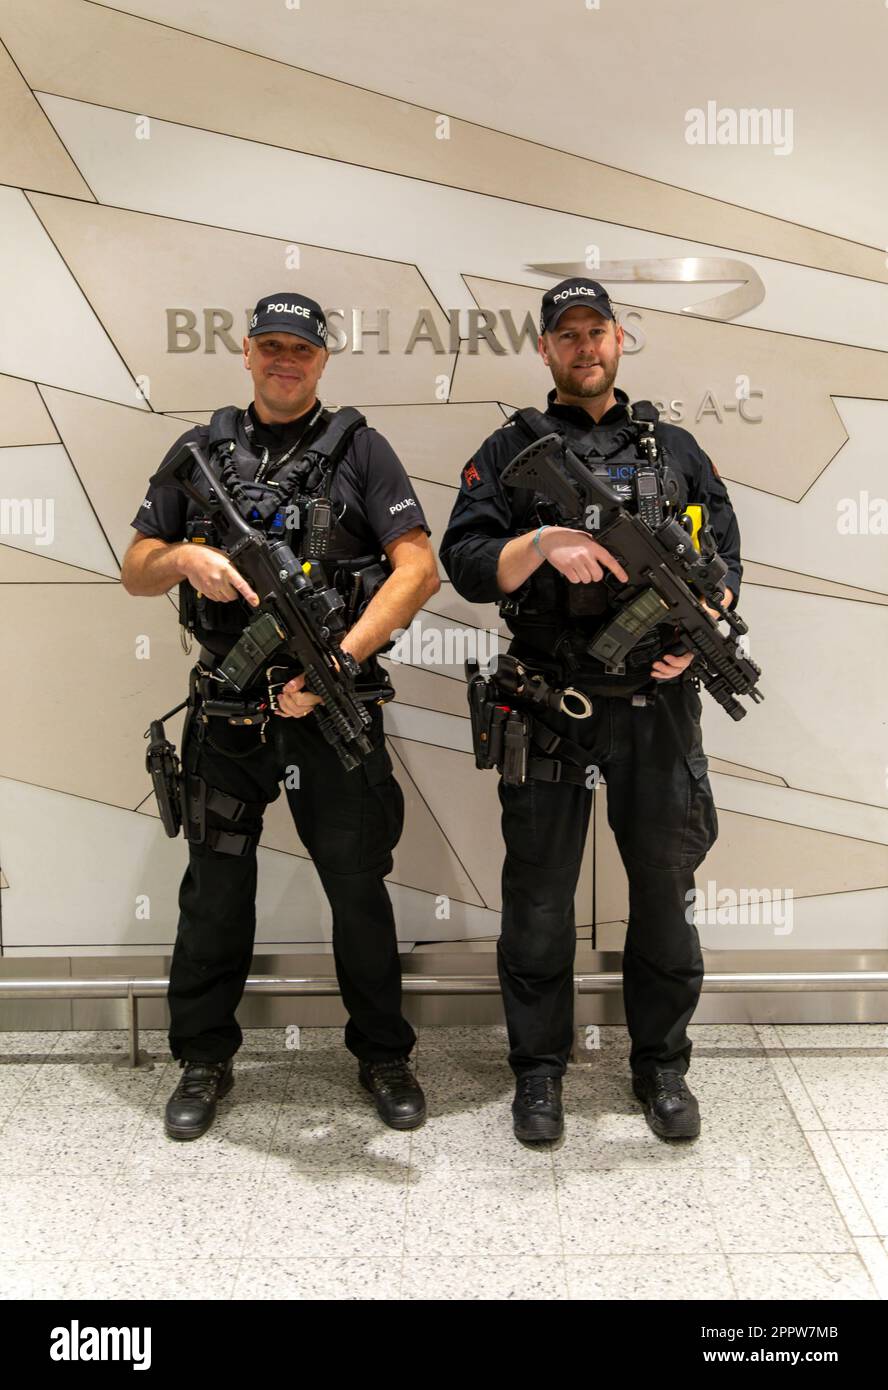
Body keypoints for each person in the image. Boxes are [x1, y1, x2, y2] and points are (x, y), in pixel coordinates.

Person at [122, 291, 440, 1140]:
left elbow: (419, 570)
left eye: (299, 349)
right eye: (270, 346)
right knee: (216, 890)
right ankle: (202, 1057)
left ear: (322, 360)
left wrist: (341, 658)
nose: (284, 360)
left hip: (327, 706)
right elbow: (135, 567)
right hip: (227, 712)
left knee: (357, 886)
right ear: (248, 352)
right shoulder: (198, 453)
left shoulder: (360, 451)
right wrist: (185, 556)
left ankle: (382, 1053)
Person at [439, 278, 742, 1144]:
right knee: (538, 900)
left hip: (659, 704)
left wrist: (705, 624)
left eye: (596, 331)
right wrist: (539, 543)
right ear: (545, 349)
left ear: (621, 340)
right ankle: (539, 1075)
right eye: (565, 334)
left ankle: (661, 1069)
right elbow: (463, 561)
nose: (583, 346)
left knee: (662, 892)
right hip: (547, 699)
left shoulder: (676, 448)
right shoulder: (507, 450)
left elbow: (723, 560)